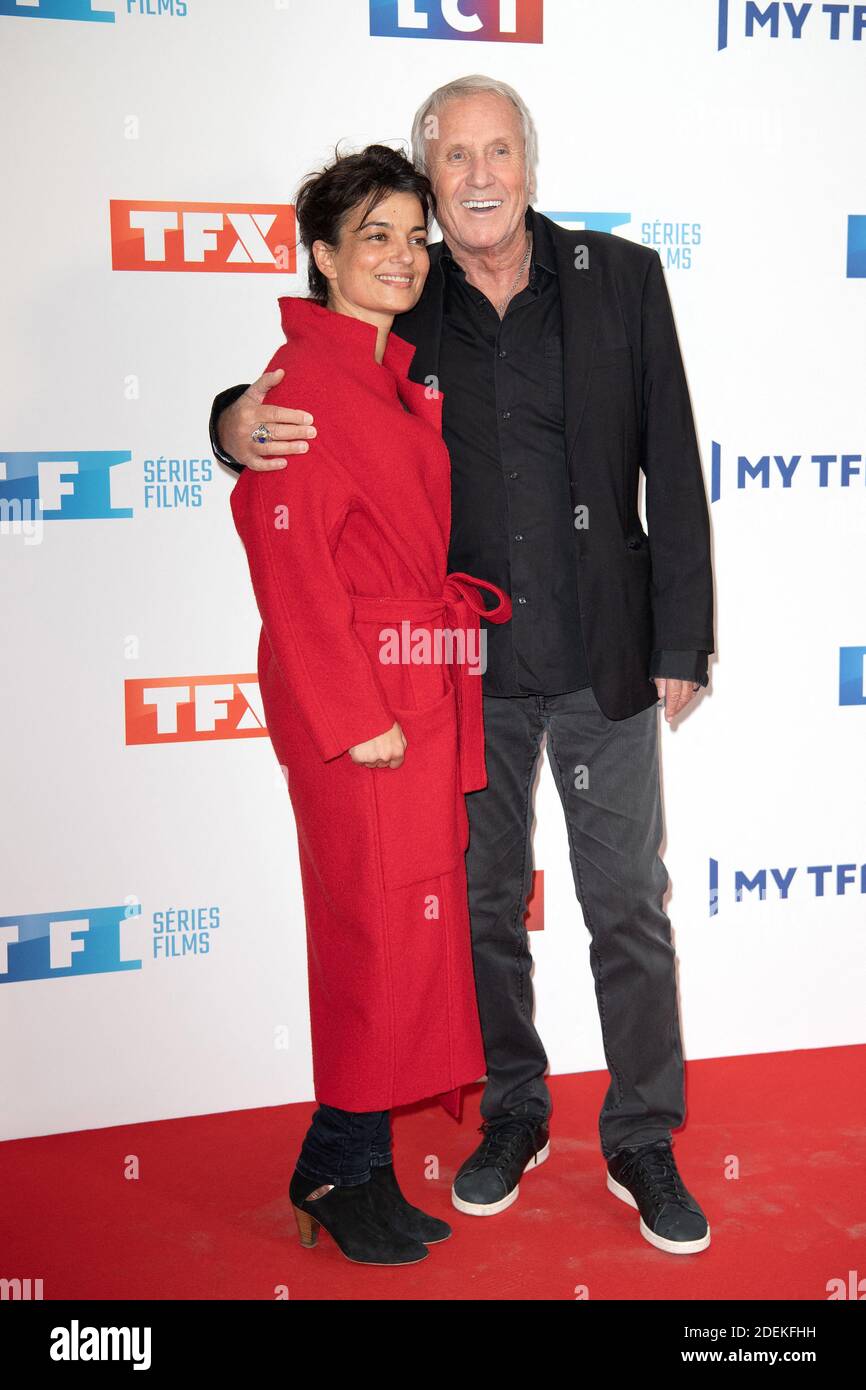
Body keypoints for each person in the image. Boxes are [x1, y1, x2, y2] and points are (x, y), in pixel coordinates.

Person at [213, 76, 715, 1256]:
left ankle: (642, 1137)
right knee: (480, 911)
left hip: (601, 660)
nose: (479, 177)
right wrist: (230, 418)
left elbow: (673, 466)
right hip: (459, 676)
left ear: (529, 167)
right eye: (455, 160)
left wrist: (680, 639)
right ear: (430, 185)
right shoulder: (408, 289)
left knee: (626, 910)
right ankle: (512, 1112)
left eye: (500, 152)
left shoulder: (620, 281)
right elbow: (303, 388)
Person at [228, 142, 511, 1267]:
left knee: (403, 938)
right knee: (371, 939)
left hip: (415, 691)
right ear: (322, 258)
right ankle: (336, 1169)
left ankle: (352, 1165)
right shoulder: (296, 391)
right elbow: (287, 568)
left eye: (410, 235)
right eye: (373, 238)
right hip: (366, 716)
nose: (399, 256)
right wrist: (358, 718)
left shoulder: (387, 373)